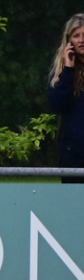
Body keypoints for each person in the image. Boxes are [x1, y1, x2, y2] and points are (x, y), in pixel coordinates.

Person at [47, 14, 84, 183]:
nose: (81, 40)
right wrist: (68, 69)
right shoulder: (61, 73)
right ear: (69, 41)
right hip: (73, 153)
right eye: (76, 36)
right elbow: (57, 105)